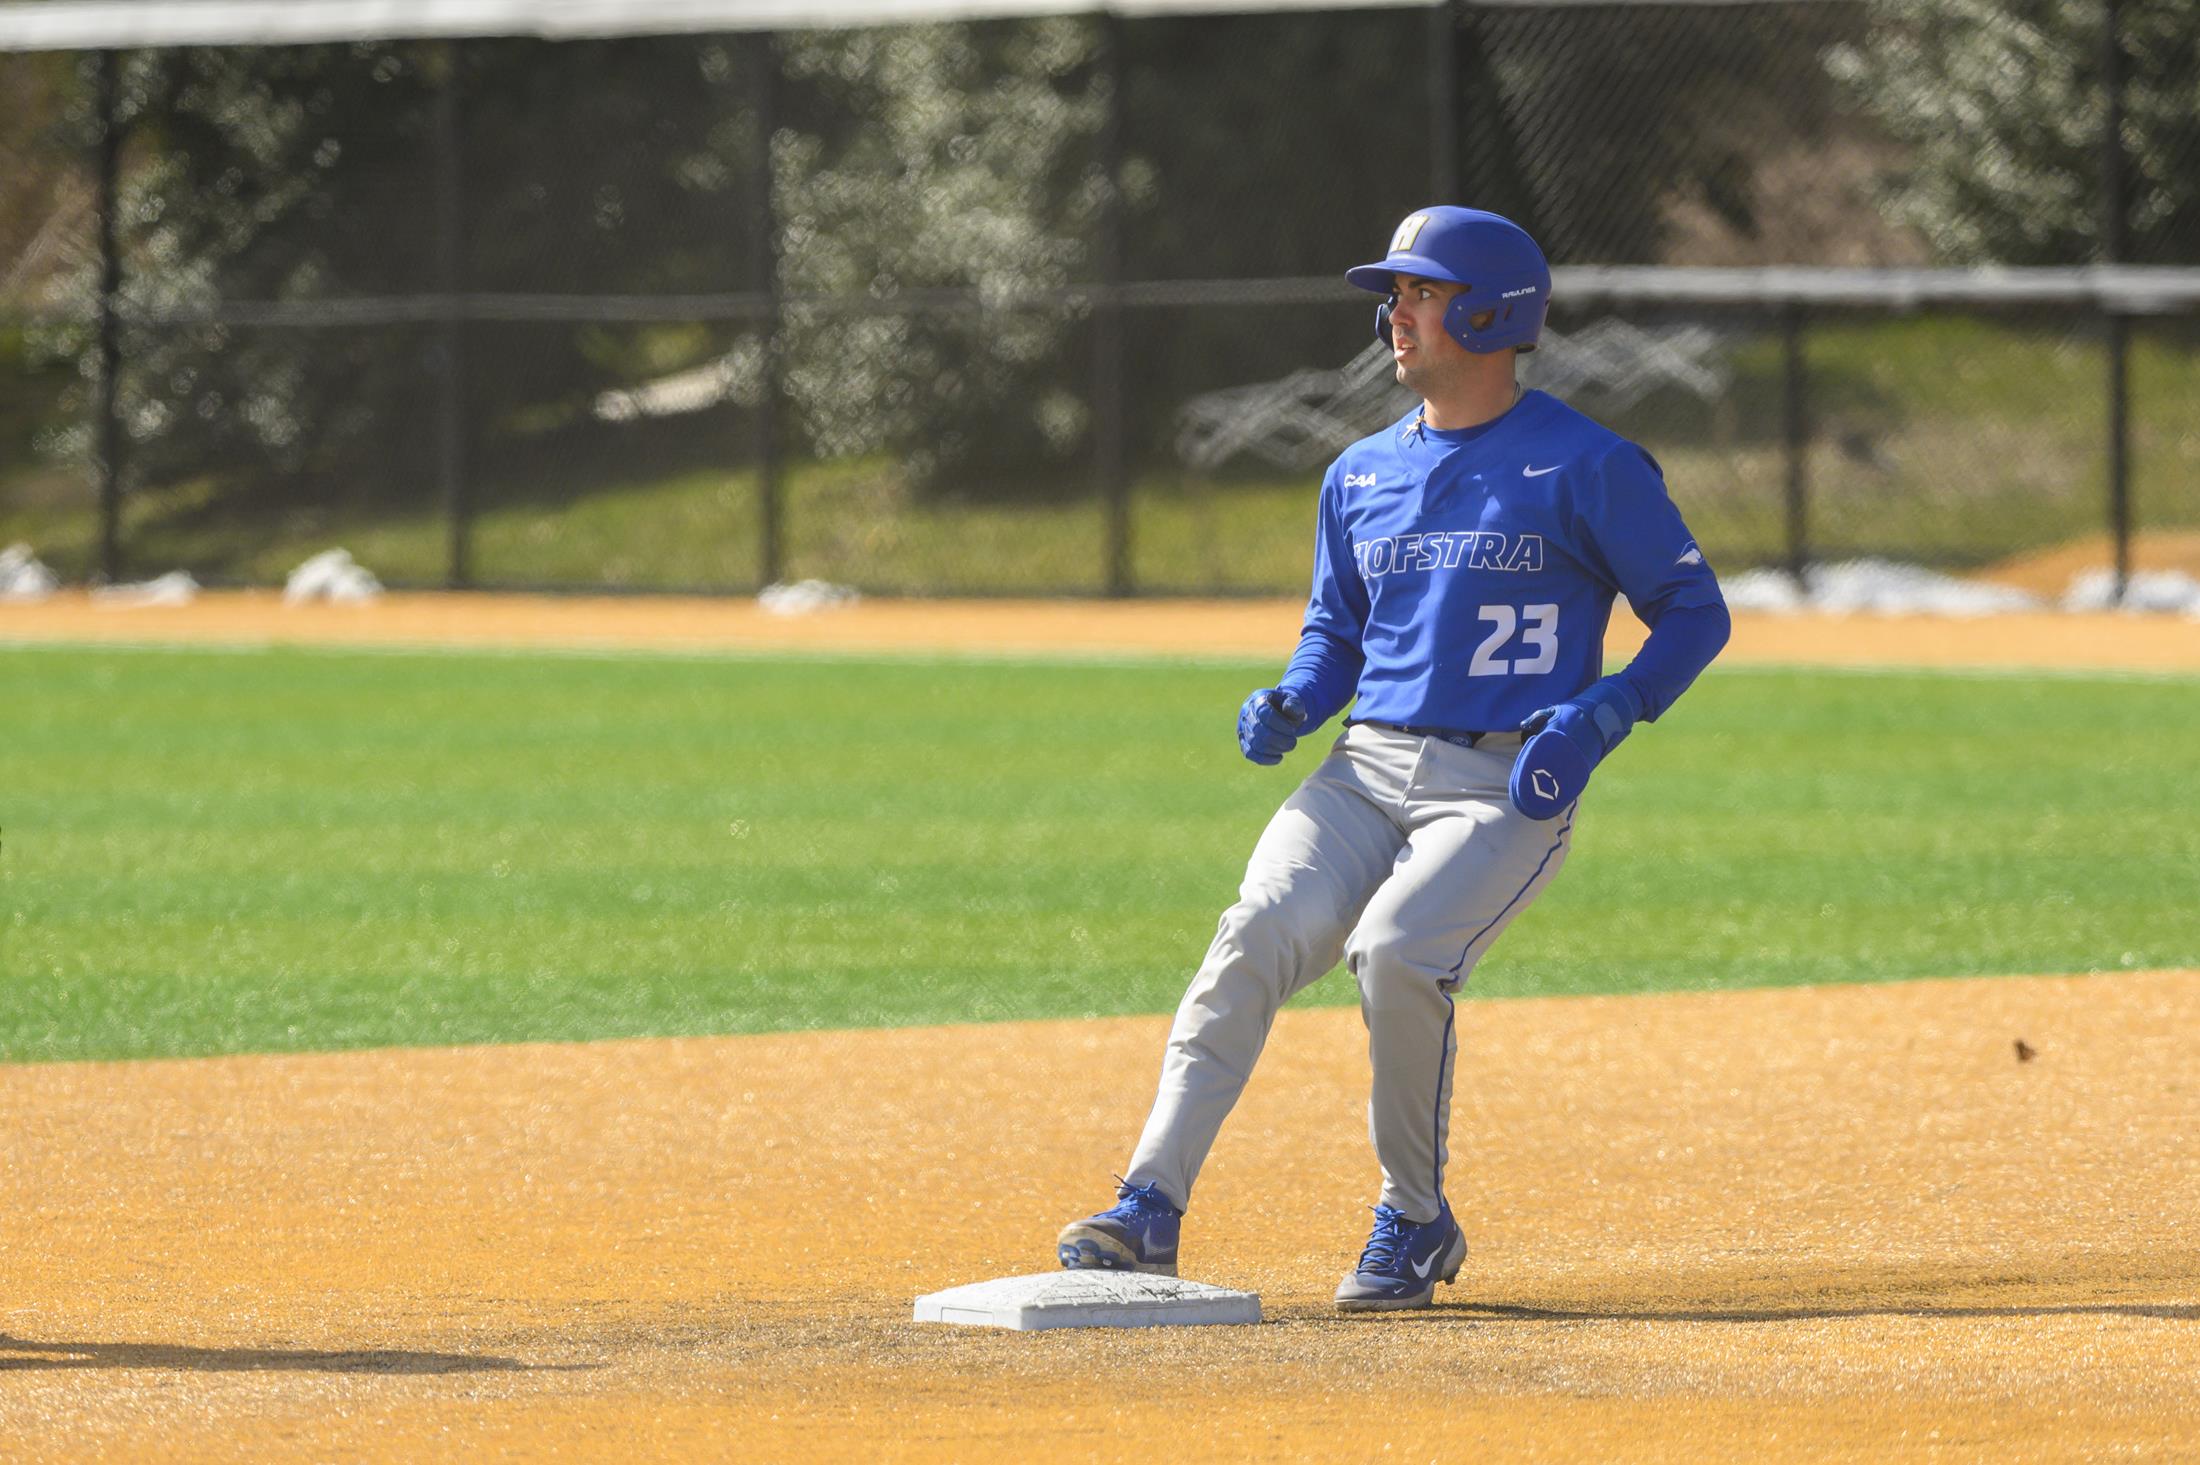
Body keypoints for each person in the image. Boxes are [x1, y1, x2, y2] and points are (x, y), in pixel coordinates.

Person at [1055, 206, 1732, 1312]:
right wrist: (1295, 695)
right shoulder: (1360, 472)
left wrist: (1607, 712)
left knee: (1398, 951)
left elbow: (1694, 613)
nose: (1397, 314)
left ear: (1490, 313)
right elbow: (1338, 631)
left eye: (1422, 292)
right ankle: (1147, 1206)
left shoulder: (1588, 464)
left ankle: (1414, 1217)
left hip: (1502, 785)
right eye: (1397, 295)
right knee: (1252, 935)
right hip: (1362, 771)